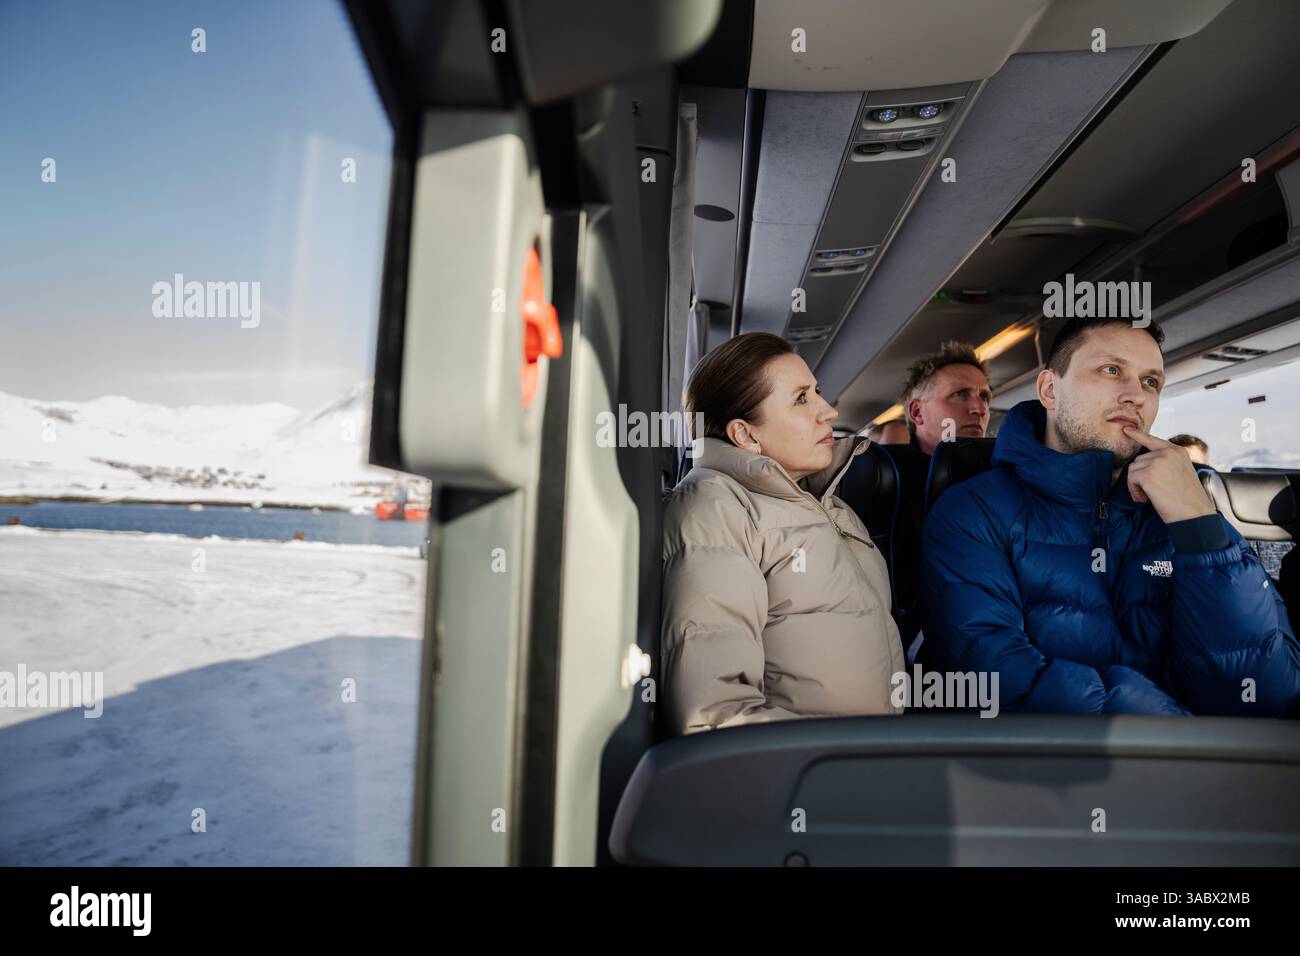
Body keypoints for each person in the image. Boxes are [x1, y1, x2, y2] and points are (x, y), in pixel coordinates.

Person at [921, 318, 1300, 715]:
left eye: (1151, 382)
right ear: (1050, 390)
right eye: (1112, 370)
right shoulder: (972, 512)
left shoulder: (1187, 510)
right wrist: (1183, 733)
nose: (1136, 395)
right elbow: (997, 679)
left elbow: (1264, 691)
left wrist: (1200, 532)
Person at [661, 332, 904, 734]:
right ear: (745, 435)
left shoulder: (832, 508)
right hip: (808, 777)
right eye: (801, 399)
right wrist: (836, 762)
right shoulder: (715, 509)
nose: (827, 411)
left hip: (867, 766)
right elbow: (714, 713)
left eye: (818, 392)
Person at [889, 342, 991, 659]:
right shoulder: (885, 482)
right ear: (917, 412)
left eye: (985, 396)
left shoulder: (1006, 476)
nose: (979, 408)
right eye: (960, 395)